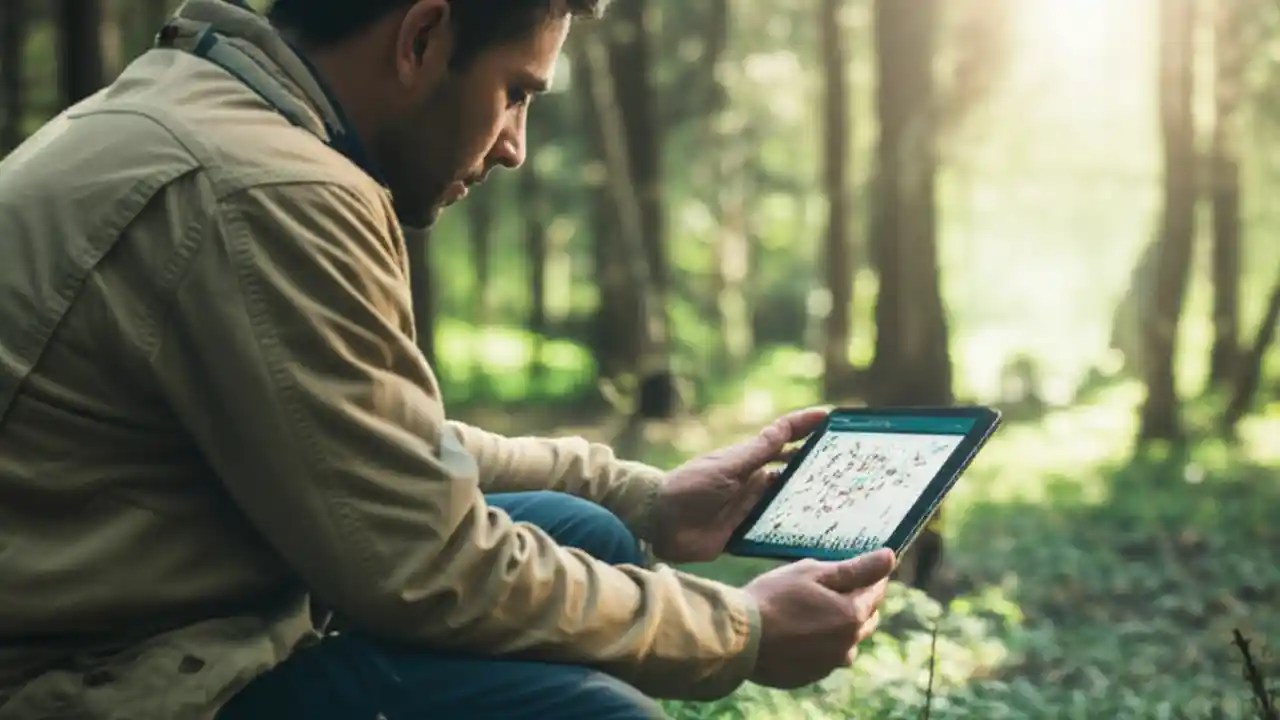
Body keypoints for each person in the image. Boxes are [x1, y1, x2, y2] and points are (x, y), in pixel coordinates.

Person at [0, 1, 896, 718]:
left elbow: (380, 436)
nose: (514, 146)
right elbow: (428, 567)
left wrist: (647, 497)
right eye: (516, 92)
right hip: (94, 674)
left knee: (586, 530)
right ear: (423, 36)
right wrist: (738, 628)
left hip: (152, 591)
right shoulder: (270, 187)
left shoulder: (203, 109)